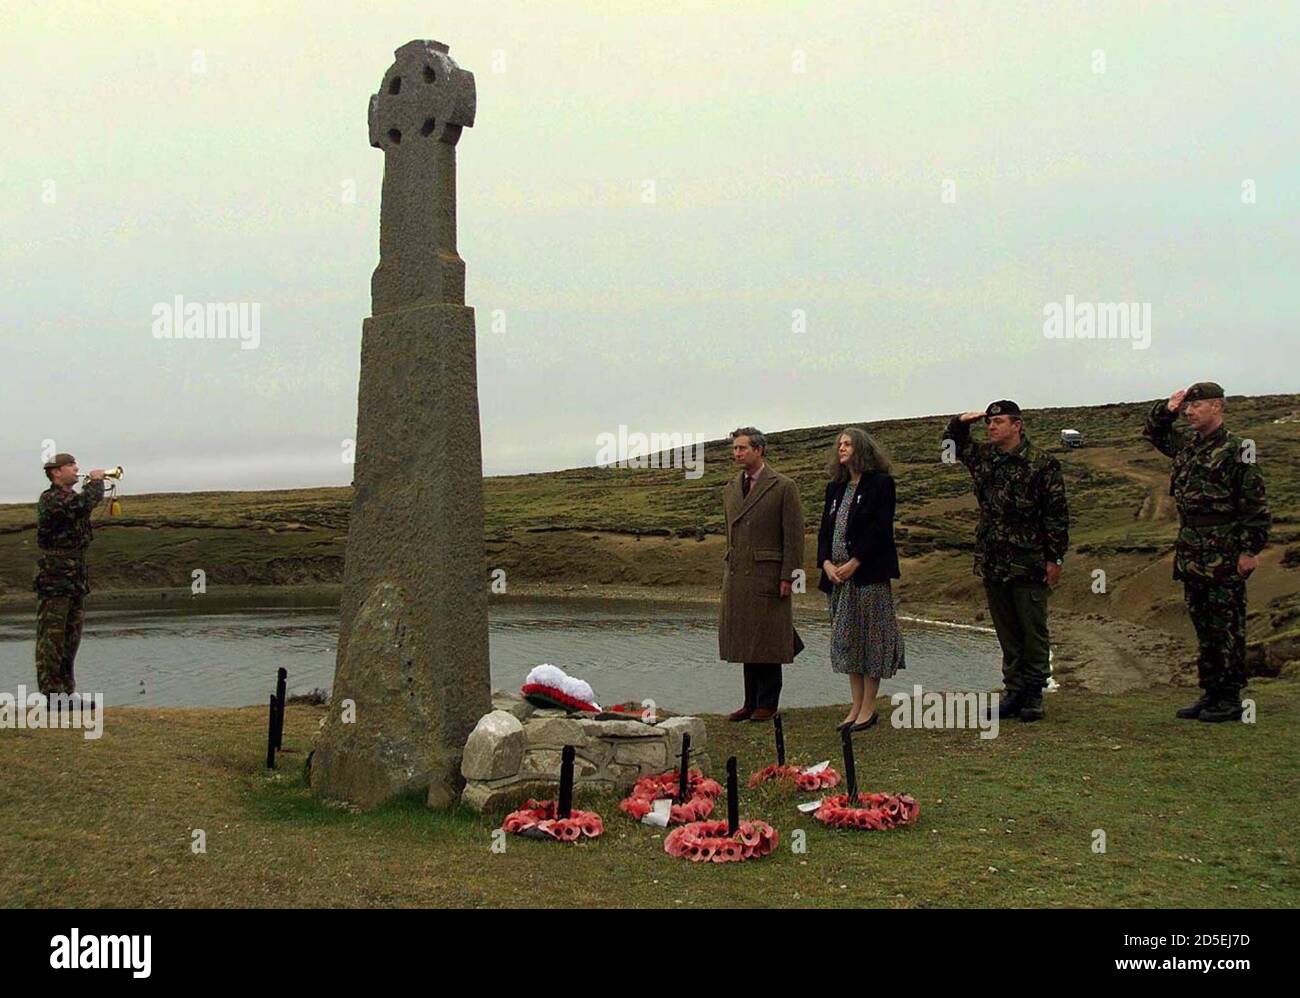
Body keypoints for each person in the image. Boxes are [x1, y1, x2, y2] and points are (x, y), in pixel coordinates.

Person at [1143, 382, 1270, 722]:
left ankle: (1229, 698)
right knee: (1203, 625)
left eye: (1195, 406)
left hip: (1225, 549)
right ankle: (1210, 691)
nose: (1189, 412)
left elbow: (1255, 504)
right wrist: (1166, 409)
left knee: (1227, 626)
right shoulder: (1188, 447)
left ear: (1216, 406)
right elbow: (1153, 433)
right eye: (1187, 408)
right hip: (1192, 549)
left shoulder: (1239, 448)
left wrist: (1250, 550)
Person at [943, 401, 1068, 722]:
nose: (991, 427)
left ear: (1017, 425)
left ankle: (1033, 695)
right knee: (1007, 632)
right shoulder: (984, 457)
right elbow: (951, 446)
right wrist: (959, 422)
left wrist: (1054, 557)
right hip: (993, 558)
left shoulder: (1042, 463)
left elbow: (1056, 513)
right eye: (988, 423)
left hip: (1029, 560)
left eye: (998, 422)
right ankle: (1013, 692)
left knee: (1032, 628)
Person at [817, 427, 904, 732]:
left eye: (848, 444)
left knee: (871, 640)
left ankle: (869, 707)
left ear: (862, 449)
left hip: (867, 576)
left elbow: (880, 530)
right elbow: (825, 532)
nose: (841, 449)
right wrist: (826, 563)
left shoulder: (881, 484)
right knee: (848, 640)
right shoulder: (835, 488)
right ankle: (855, 706)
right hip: (839, 579)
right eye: (839, 444)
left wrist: (855, 562)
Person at [718, 427, 804, 722]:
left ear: (759, 450)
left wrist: (789, 576)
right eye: (735, 449)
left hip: (768, 574)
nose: (737, 454)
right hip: (738, 574)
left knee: (768, 639)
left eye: (742, 448)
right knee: (746, 638)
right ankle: (750, 701)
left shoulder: (782, 486)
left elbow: (794, 537)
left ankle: (767, 703)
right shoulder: (730, 488)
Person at [34, 454, 105, 698]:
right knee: (52, 636)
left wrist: (91, 488)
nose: (77, 469)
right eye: (71, 466)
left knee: (71, 636)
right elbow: (82, 507)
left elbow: (81, 508)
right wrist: (95, 483)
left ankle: (66, 690)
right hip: (55, 575)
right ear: (56, 472)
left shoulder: (72, 497)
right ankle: (52, 693)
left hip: (74, 575)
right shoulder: (51, 498)